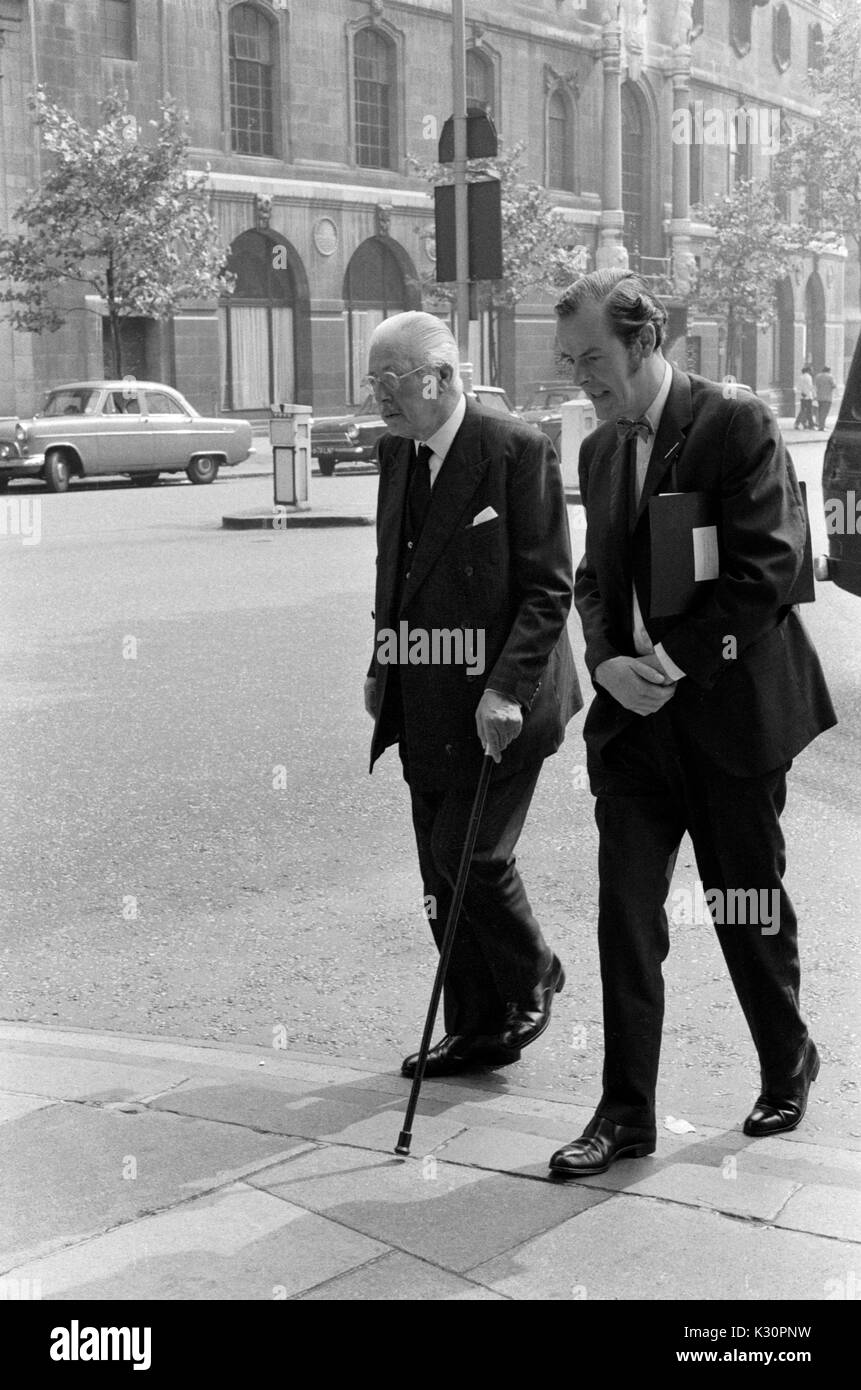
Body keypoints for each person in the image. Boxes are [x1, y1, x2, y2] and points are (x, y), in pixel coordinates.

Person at [548, 269, 836, 1178]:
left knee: (743, 905)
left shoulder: (733, 425)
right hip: (634, 731)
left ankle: (785, 1058)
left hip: (725, 718)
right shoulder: (595, 451)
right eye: (569, 362)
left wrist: (664, 667)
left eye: (592, 357)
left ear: (644, 342)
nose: (580, 378)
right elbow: (593, 582)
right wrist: (604, 665)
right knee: (625, 918)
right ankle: (624, 1113)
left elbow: (763, 571)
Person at [364, 311, 581, 1077]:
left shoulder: (514, 449)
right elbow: (395, 570)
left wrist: (505, 690)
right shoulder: (396, 453)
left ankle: (534, 974)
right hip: (421, 690)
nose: (380, 396)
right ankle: (476, 1029)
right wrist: (379, 663)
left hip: (503, 698)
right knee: (436, 871)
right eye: (374, 381)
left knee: (471, 854)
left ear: (445, 377)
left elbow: (548, 587)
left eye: (393, 380)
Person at [814, 365, 837, 431]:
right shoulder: (830, 376)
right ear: (829, 370)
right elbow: (834, 385)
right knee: (824, 412)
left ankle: (820, 424)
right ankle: (821, 426)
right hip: (827, 398)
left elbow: (815, 385)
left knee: (820, 411)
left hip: (819, 397)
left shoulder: (818, 376)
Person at [794, 364, 815, 429]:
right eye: (811, 370)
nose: (812, 371)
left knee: (803, 410)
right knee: (809, 411)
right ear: (808, 370)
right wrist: (814, 395)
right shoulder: (808, 377)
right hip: (808, 396)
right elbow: (810, 387)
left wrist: (801, 393)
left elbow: (799, 387)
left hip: (802, 396)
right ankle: (811, 425)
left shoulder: (801, 377)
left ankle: (800, 423)